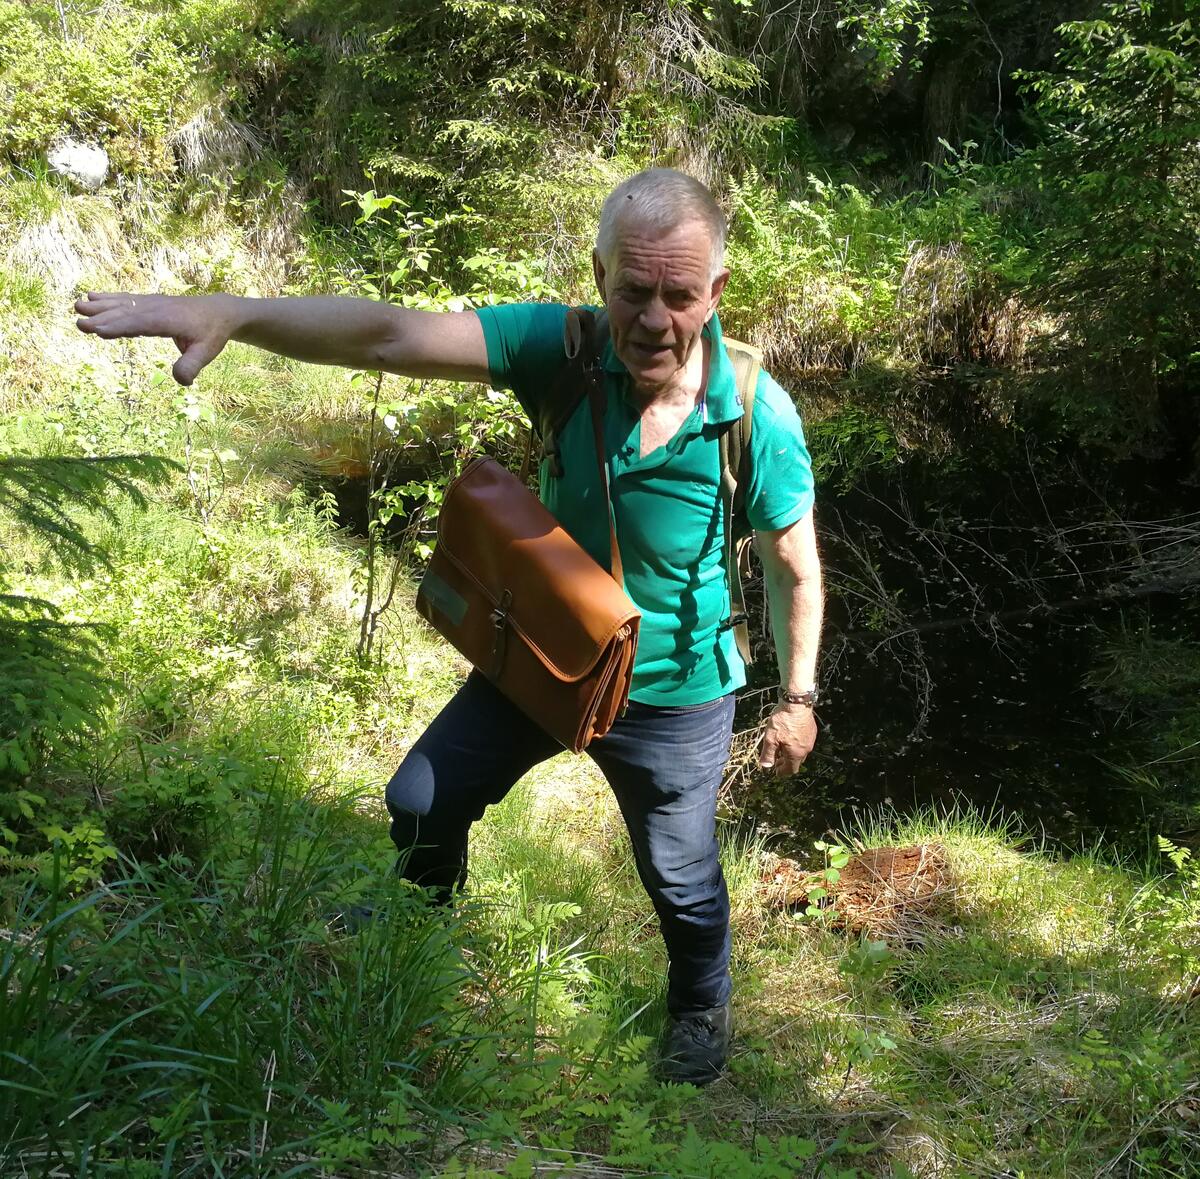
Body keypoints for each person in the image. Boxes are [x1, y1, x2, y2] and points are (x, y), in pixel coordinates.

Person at [75, 167, 823, 1085]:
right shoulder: (563, 352)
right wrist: (238, 312)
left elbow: (792, 561)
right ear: (598, 277)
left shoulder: (755, 408)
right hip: (547, 660)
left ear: (716, 293)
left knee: (680, 876)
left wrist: (797, 695)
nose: (654, 320)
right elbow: (394, 333)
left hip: (674, 691)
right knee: (420, 799)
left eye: (679, 296)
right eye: (633, 290)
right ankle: (423, 909)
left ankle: (700, 1005)